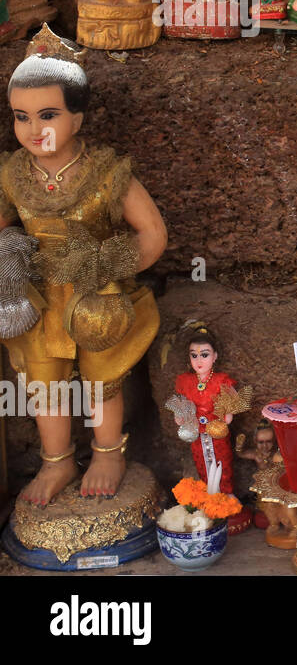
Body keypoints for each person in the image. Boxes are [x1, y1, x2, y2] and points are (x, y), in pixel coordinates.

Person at [0, 28, 167, 505]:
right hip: (37, 295)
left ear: (77, 117)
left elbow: (152, 235)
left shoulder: (107, 173)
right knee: (43, 381)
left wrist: (102, 262)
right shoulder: (12, 174)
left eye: (49, 115)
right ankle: (57, 462)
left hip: (96, 296)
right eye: (22, 117)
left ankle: (107, 452)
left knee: (100, 377)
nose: (36, 130)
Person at [172, 326, 237, 494]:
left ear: (215, 356)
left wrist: (225, 416)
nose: (198, 360)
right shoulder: (185, 381)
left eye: (204, 355)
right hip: (196, 433)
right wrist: (181, 416)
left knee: (222, 462)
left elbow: (231, 408)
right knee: (201, 462)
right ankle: (209, 495)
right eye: (194, 355)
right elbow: (180, 405)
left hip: (216, 432)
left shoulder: (221, 380)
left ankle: (225, 495)